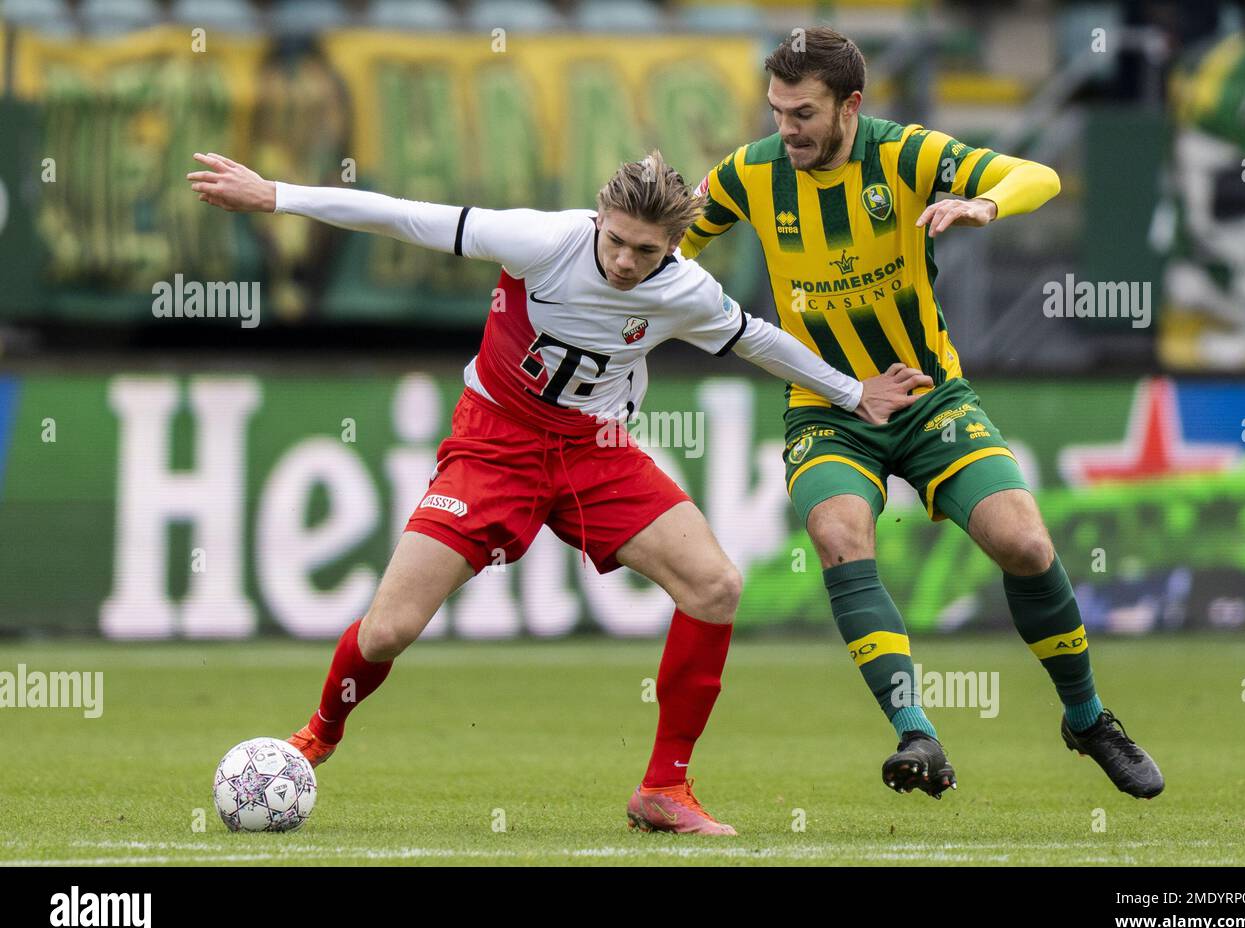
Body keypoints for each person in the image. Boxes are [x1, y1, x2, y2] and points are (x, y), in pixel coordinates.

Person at [188, 147, 883, 834]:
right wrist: (277, 195)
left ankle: (664, 787)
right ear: (599, 218)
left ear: (674, 246)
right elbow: (403, 217)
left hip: (595, 453)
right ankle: (319, 732)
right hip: (495, 444)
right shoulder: (542, 240)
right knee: (389, 630)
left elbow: (758, 339)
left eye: (645, 251)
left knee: (716, 586)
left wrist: (853, 394)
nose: (624, 262)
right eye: (615, 241)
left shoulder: (686, 291)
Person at [680, 28, 1163, 800]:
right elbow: (672, 241)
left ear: (851, 105)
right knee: (839, 535)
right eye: (776, 111)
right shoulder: (749, 172)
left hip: (928, 397)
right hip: (827, 408)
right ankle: (917, 733)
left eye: (803, 113)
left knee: (1027, 544)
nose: (787, 129)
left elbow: (1036, 174)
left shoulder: (903, 154)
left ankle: (1087, 718)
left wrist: (985, 202)